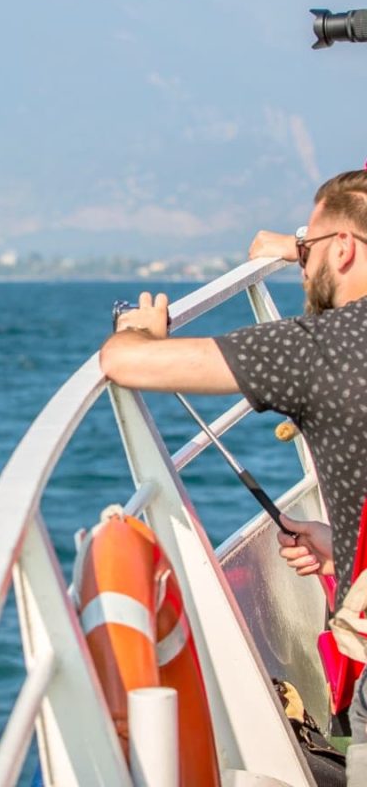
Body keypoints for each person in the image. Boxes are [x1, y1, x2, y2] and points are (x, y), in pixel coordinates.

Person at [100, 169, 367, 742]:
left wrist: (137, 331)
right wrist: (347, 552)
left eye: (308, 249)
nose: (302, 267)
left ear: (343, 248)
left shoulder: (323, 348)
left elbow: (125, 363)